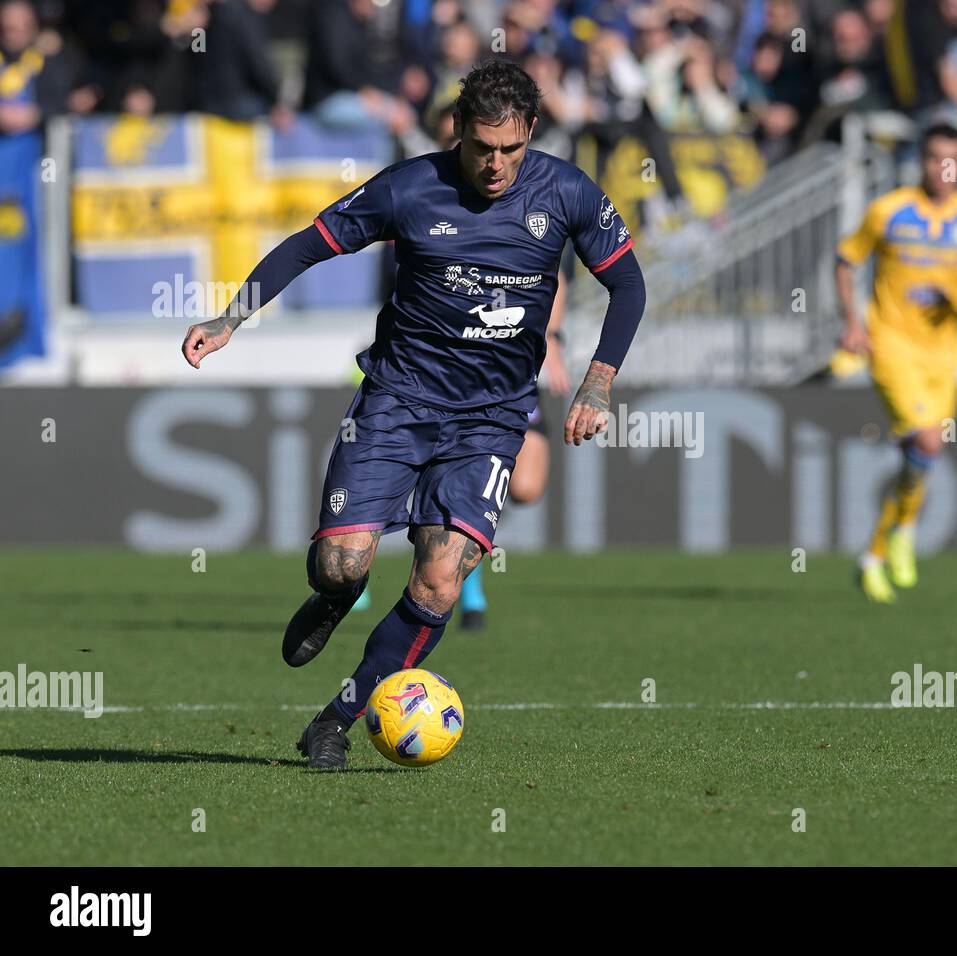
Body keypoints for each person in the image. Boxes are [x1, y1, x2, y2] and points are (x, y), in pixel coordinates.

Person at [181, 59, 646, 767]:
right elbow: (311, 244)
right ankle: (335, 597)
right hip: (397, 402)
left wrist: (597, 384)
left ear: (531, 135)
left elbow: (629, 287)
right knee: (341, 563)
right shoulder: (409, 188)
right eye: (482, 148)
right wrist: (230, 319)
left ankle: (335, 720)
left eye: (511, 150)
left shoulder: (568, 191)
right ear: (458, 132)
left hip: (491, 419)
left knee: (439, 578)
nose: (496, 165)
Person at [834, 122, 957, 604]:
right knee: (928, 440)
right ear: (922, 162)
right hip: (890, 345)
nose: (943, 169)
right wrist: (853, 323)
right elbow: (845, 262)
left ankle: (877, 551)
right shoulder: (888, 210)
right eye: (935, 158)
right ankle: (902, 533)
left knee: (925, 455)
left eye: (952, 160)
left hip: (943, 355)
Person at [458, 268, 570, 630]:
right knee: (467, 486)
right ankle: (469, 590)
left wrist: (552, 336)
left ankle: (465, 541)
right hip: (456, 376)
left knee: (524, 486)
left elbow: (557, 273)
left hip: (516, 377)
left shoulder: (531, 222)